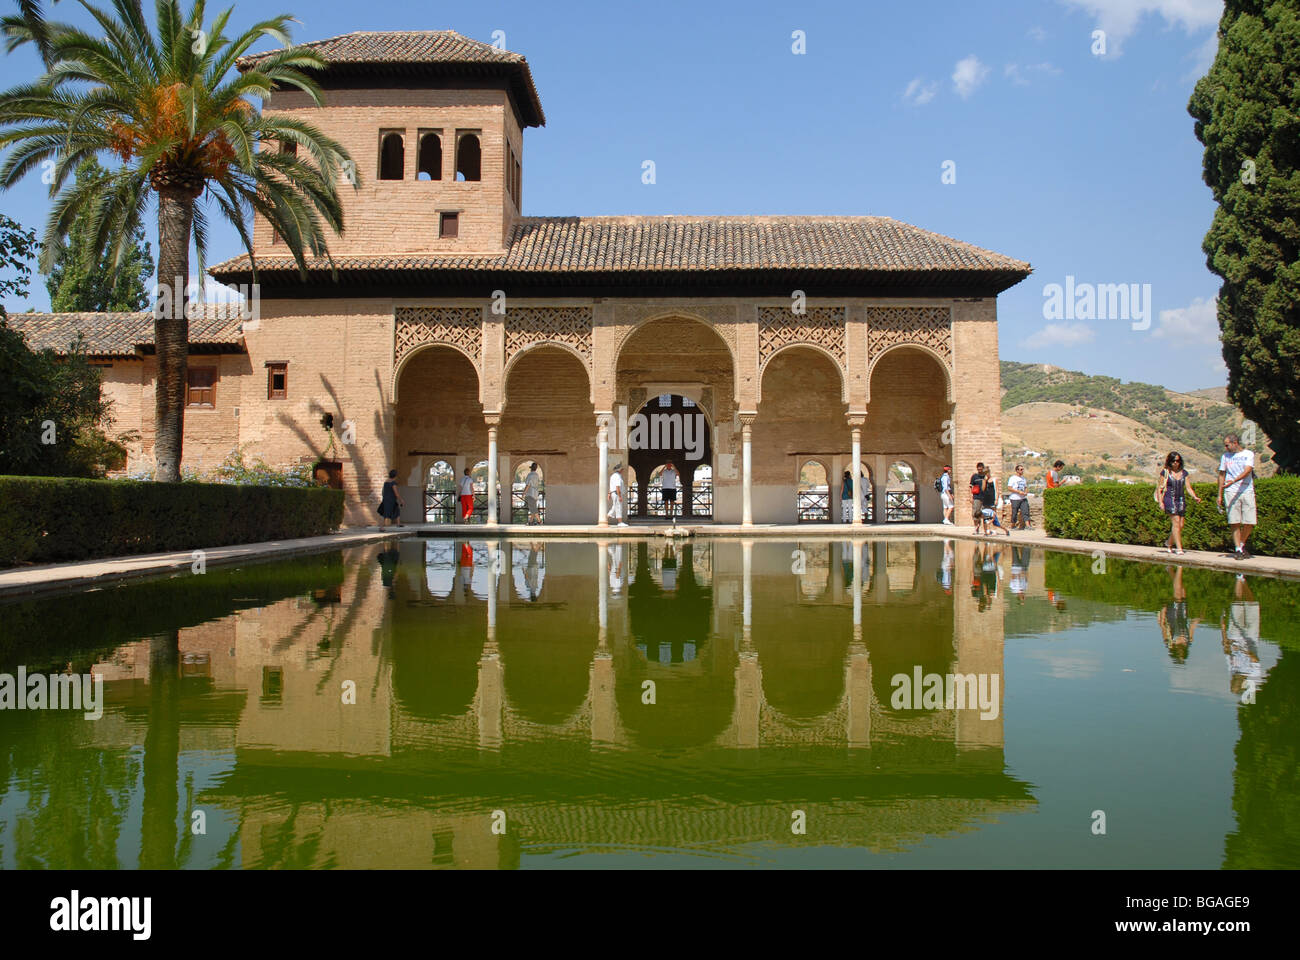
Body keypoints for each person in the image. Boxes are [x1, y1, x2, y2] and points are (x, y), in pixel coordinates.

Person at [1217, 434, 1256, 560]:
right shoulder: (1225, 456)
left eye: (1227, 445)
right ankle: (1238, 549)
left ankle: (1242, 544)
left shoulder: (1248, 454)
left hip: (1246, 490)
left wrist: (1234, 480)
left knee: (1249, 521)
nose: (1226, 447)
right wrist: (1219, 494)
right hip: (1231, 491)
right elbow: (1221, 474)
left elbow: (1247, 470)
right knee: (1234, 521)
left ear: (1235, 443)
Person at [1156, 451, 1202, 555]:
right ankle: (1179, 548)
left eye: (1177, 461)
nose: (1175, 463)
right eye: (1173, 461)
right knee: (1176, 522)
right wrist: (1160, 502)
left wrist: (1195, 497)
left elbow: (1188, 487)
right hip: (1169, 499)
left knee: (1180, 525)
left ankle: (1169, 542)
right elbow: (1160, 488)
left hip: (1180, 500)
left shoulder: (1184, 473)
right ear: (1169, 462)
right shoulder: (1165, 472)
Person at [1157, 564, 1198, 663]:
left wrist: (1162, 612)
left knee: (1178, 595)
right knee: (1182, 592)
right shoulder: (1188, 643)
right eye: (1182, 655)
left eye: (1180, 655)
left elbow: (1163, 626)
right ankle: (1170, 570)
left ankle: (1180, 568)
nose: (1181, 653)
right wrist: (1197, 621)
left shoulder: (1169, 643)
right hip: (1183, 616)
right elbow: (1191, 629)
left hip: (1173, 617)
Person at [1007, 464, 1030, 530]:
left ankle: (1028, 526)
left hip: (1023, 498)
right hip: (1015, 498)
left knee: (1025, 511)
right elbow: (1009, 488)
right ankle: (1012, 525)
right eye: (1021, 469)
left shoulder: (1023, 479)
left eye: (1023, 469)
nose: (1022, 471)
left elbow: (1025, 487)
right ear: (1017, 470)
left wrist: (1025, 492)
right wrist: (1018, 492)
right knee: (1014, 512)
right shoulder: (1012, 478)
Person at [608, 462, 628, 526]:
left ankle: (605, 519)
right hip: (616, 493)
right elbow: (617, 486)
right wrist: (619, 496)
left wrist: (609, 493)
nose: (623, 470)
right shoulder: (617, 476)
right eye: (622, 469)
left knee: (614, 508)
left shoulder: (614, 476)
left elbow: (611, 486)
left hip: (615, 493)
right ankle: (620, 522)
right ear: (619, 470)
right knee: (618, 507)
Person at [969, 463, 986, 533]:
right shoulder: (974, 476)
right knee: (975, 513)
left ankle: (985, 528)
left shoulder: (985, 476)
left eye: (981, 468)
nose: (979, 470)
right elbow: (970, 486)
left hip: (985, 497)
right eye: (978, 468)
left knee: (985, 513)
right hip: (977, 497)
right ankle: (976, 527)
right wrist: (970, 496)